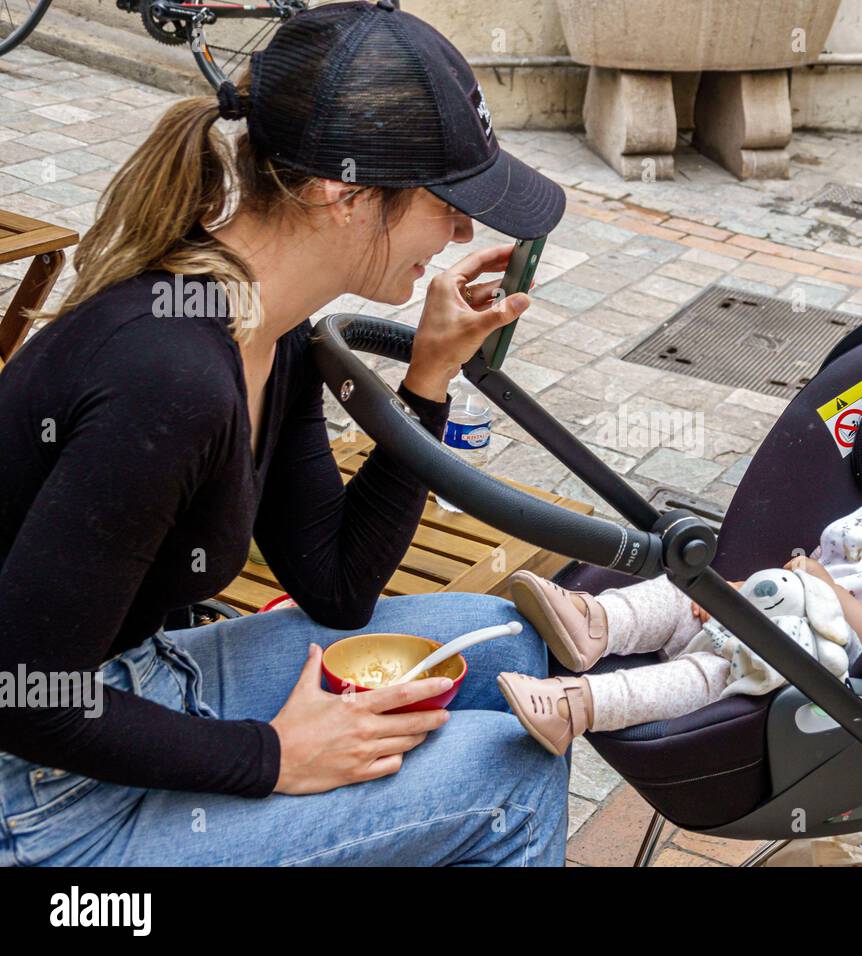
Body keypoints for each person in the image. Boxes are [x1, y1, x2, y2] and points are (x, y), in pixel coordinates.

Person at [0, 2, 571, 866]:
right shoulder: (169, 377)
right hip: (37, 799)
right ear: (339, 193)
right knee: (507, 777)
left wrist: (428, 379)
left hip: (143, 682)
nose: (462, 233)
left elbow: (336, 587)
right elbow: (26, 695)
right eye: (448, 202)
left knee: (507, 642)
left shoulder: (274, 332)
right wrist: (274, 759)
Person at [497, 409, 862, 754]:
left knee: (704, 672)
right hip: (761, 619)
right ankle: (597, 623)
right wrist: (737, 595)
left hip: (799, 674)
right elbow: (783, 585)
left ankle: (579, 705)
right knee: (687, 590)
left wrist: (828, 588)